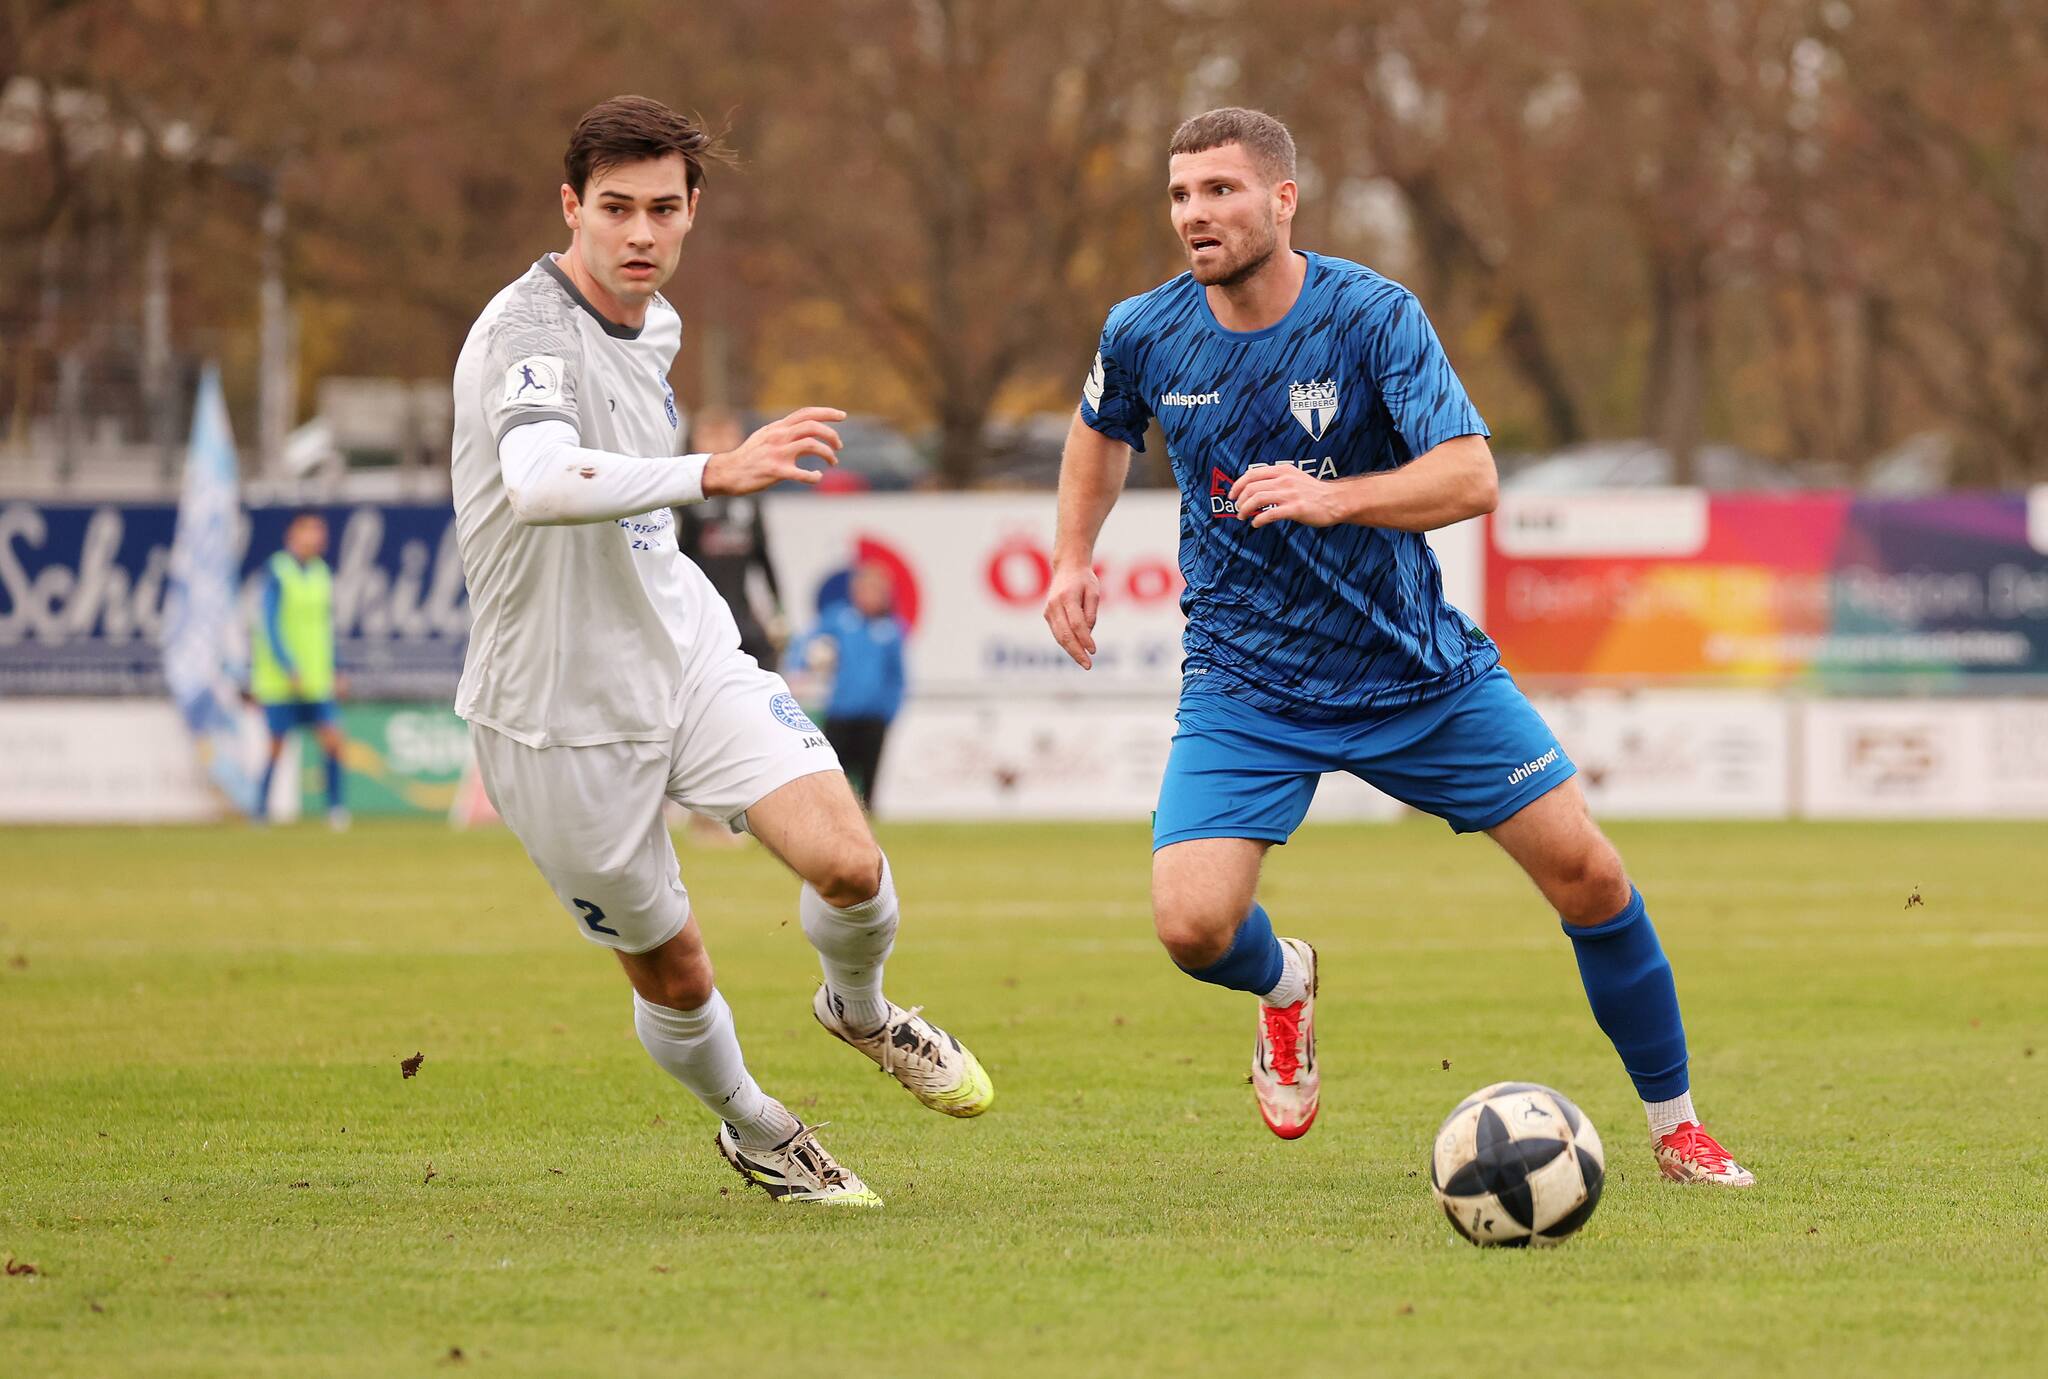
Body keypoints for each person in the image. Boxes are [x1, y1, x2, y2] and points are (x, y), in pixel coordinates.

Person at [1043, 108, 1752, 1186]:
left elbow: (1469, 475)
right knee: (1191, 926)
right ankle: (1283, 984)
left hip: (1413, 672)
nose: (1195, 214)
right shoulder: (1142, 329)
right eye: (1181, 194)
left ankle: (1676, 1126)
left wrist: (1336, 498)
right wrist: (1068, 557)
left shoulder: (1371, 315)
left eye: (1221, 191)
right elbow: (1099, 431)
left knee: (1588, 874)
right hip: (1246, 681)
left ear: (1283, 200)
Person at [447, 95, 992, 1209]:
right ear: (570, 206)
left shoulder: (657, 324)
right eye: (613, 209)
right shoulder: (525, 331)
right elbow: (538, 479)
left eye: (661, 208)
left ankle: (860, 1008)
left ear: (694, 209)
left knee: (850, 862)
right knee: (676, 968)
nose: (638, 233)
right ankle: (760, 1126)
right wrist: (713, 471)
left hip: (686, 651)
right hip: (555, 714)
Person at [250, 510, 348, 829]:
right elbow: (269, 624)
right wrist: (286, 664)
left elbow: (326, 629)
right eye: (310, 530)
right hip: (282, 680)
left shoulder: (321, 573)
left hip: (316, 679)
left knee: (333, 740)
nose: (317, 537)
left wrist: (336, 669)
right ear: (293, 534)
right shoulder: (278, 572)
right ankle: (260, 810)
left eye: (320, 531)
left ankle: (335, 810)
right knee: (277, 746)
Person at [674, 407, 787, 671]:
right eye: (711, 435)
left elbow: (763, 557)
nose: (720, 443)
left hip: (741, 617)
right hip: (696, 621)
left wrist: (778, 612)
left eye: (726, 435)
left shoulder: (749, 497)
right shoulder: (680, 494)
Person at [803, 561, 907, 811]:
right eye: (864, 590)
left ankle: (868, 826)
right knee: (836, 776)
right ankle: (835, 822)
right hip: (840, 712)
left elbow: (898, 676)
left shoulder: (890, 629)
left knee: (869, 779)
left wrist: (889, 710)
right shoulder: (839, 619)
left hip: (873, 716)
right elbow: (809, 645)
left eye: (875, 590)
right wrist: (809, 660)